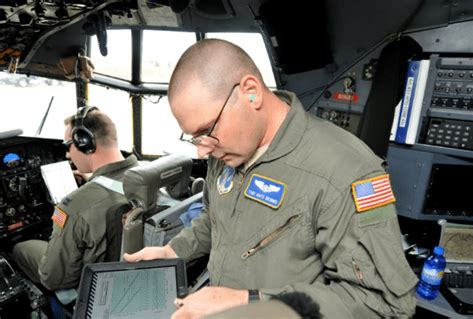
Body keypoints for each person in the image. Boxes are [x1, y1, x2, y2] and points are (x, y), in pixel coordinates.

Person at [124, 39, 418, 318]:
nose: (202, 151)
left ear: (251, 92)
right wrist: (171, 251)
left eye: (207, 130)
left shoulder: (347, 172)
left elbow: (384, 303)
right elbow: (215, 222)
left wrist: (249, 301)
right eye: (194, 137)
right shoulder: (225, 149)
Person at [13, 107, 138, 291]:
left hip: (94, 284)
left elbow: (54, 278)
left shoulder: (70, 208)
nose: (67, 155)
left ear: (85, 143)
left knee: (20, 248)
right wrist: (95, 181)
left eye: (67, 146)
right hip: (132, 268)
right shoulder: (146, 176)